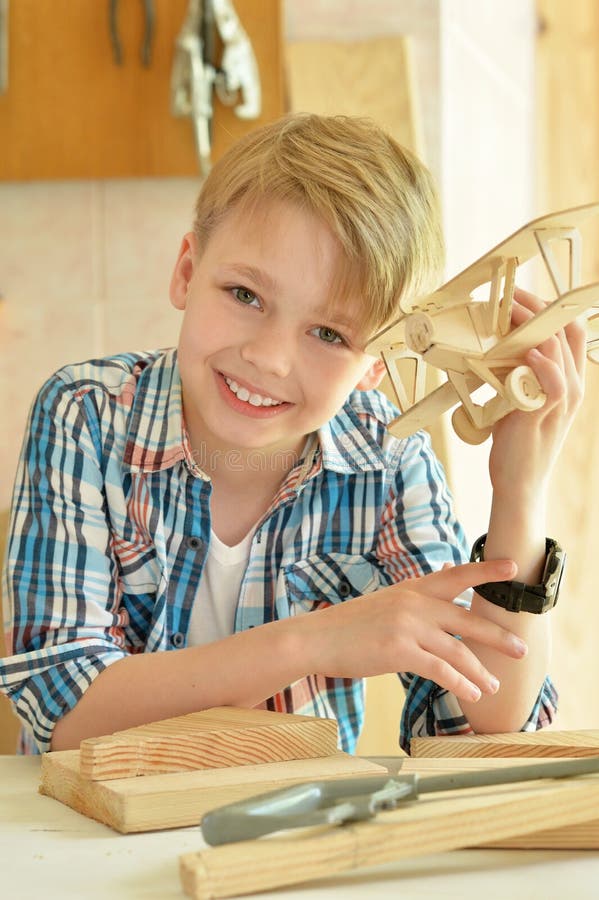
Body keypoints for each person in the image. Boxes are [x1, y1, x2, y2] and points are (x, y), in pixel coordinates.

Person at [0, 114, 584, 756]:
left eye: (330, 334)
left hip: (292, 836)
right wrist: (312, 640)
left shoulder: (388, 461)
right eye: (244, 293)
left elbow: (483, 726)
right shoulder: (86, 416)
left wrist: (519, 491)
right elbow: (63, 710)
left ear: (379, 365)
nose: (270, 358)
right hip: (85, 839)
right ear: (187, 273)